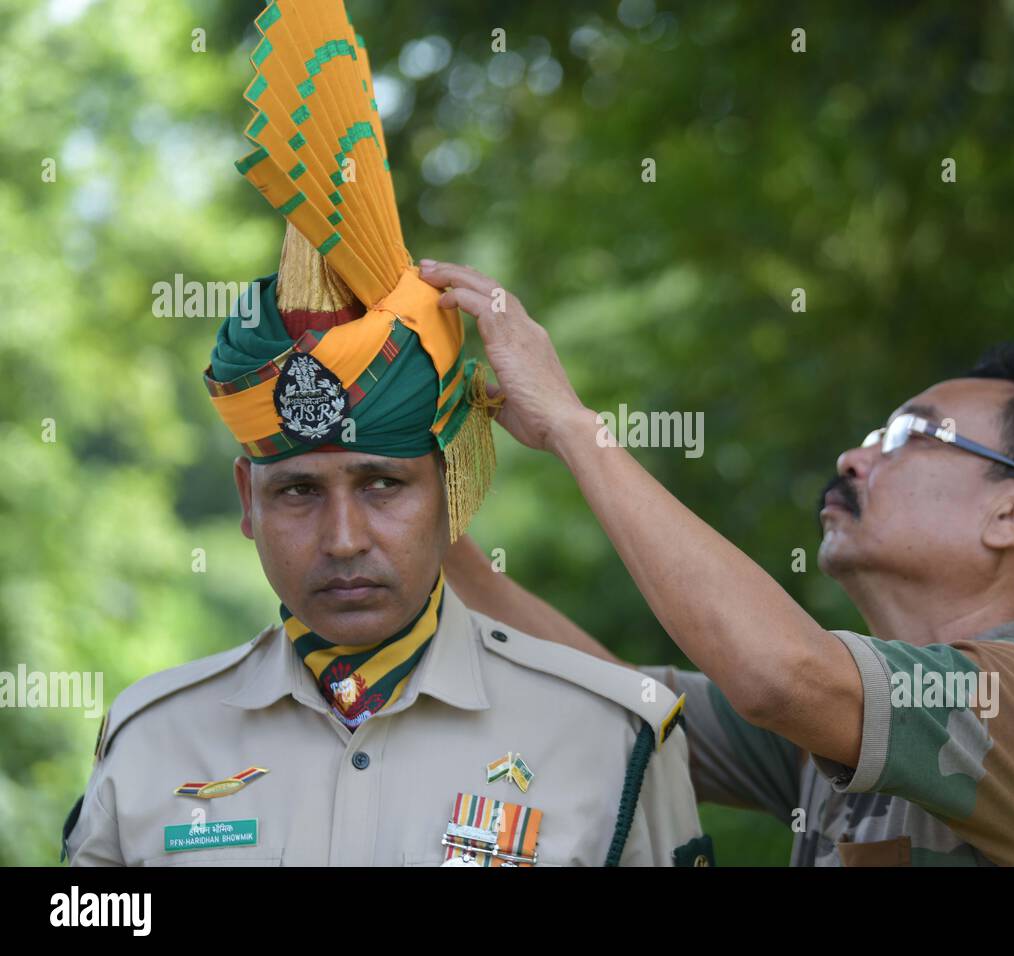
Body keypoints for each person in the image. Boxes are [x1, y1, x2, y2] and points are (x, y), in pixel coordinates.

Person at [60, 0, 705, 867]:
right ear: (246, 504)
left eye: (382, 484)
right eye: (297, 491)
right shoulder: (149, 744)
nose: (343, 538)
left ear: (453, 487)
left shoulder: (609, 736)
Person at [429, 258, 1014, 866]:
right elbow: (618, 707)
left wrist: (571, 424)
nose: (855, 457)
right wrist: (418, 506)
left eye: (912, 435)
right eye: (876, 432)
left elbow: (780, 673)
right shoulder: (857, 716)